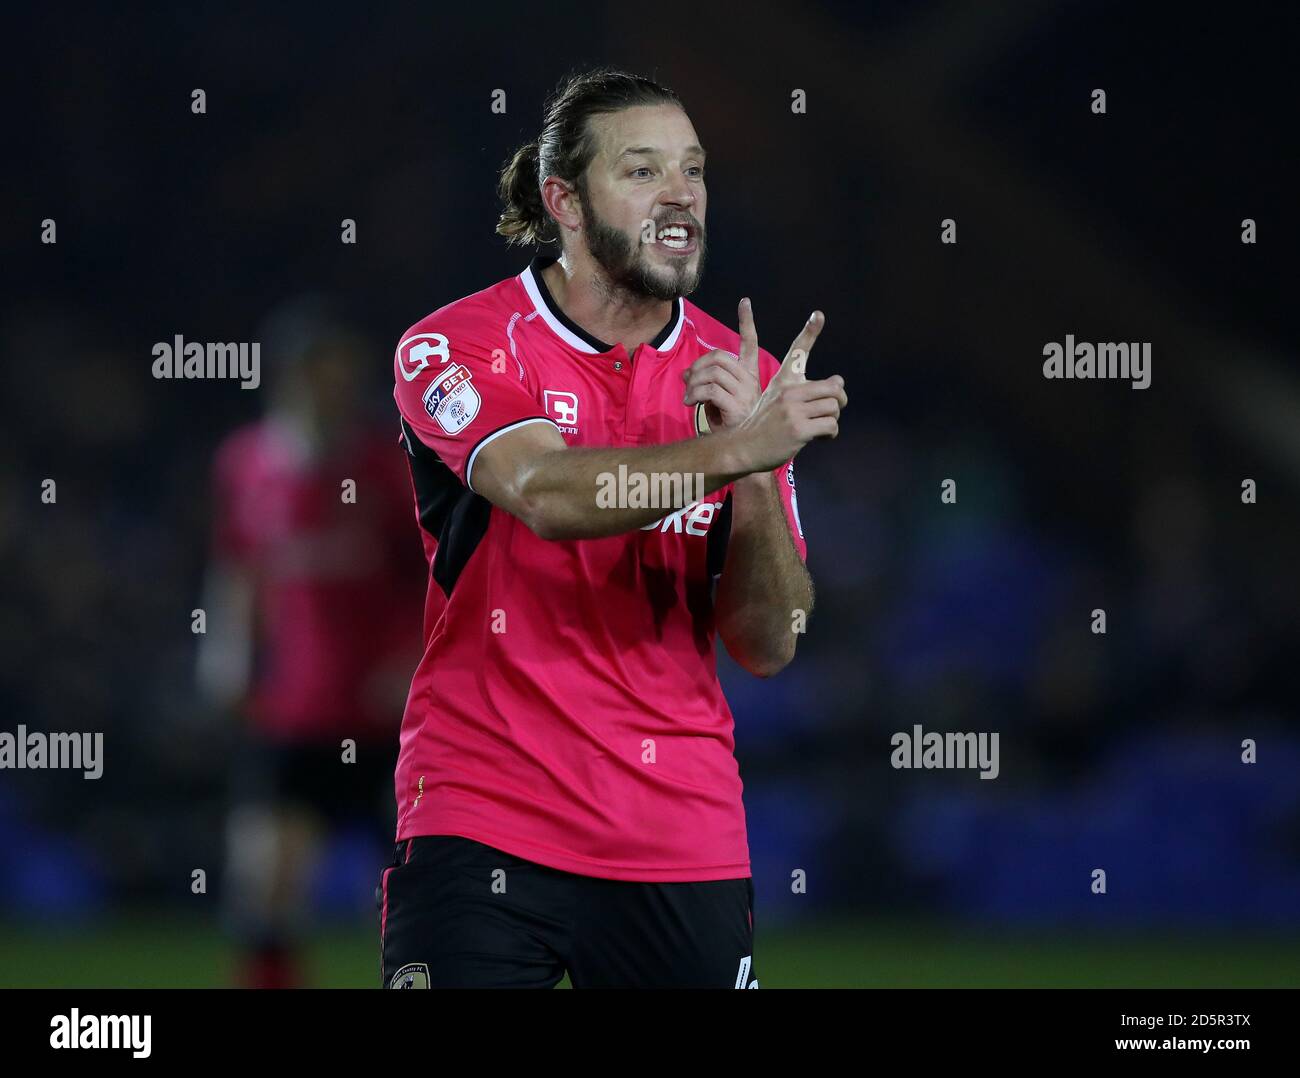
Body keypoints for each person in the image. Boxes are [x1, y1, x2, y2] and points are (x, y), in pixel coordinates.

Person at [379, 69, 846, 989]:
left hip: (681, 832)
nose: (680, 194)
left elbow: (770, 642)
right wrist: (732, 451)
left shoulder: (735, 374)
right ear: (564, 201)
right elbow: (547, 494)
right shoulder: (457, 344)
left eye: (694, 170)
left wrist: (753, 471)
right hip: (483, 813)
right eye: (641, 171)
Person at [200, 301, 423, 987]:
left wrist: (411, 663)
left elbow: (431, 574)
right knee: (265, 881)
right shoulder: (245, 465)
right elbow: (237, 567)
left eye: (344, 377)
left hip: (387, 716)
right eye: (319, 375)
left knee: (411, 899)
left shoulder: (387, 467)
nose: (335, 390)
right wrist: (225, 652)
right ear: (288, 378)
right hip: (292, 712)